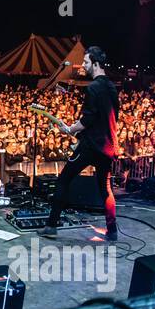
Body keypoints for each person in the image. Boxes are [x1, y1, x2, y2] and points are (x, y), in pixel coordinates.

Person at [41, 46, 119, 242]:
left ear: (95, 63)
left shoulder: (93, 88)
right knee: (105, 188)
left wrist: (70, 129)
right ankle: (112, 231)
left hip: (91, 146)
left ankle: (51, 226)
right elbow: (109, 117)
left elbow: (87, 120)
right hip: (108, 146)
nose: (83, 66)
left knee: (64, 180)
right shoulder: (111, 87)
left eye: (86, 62)